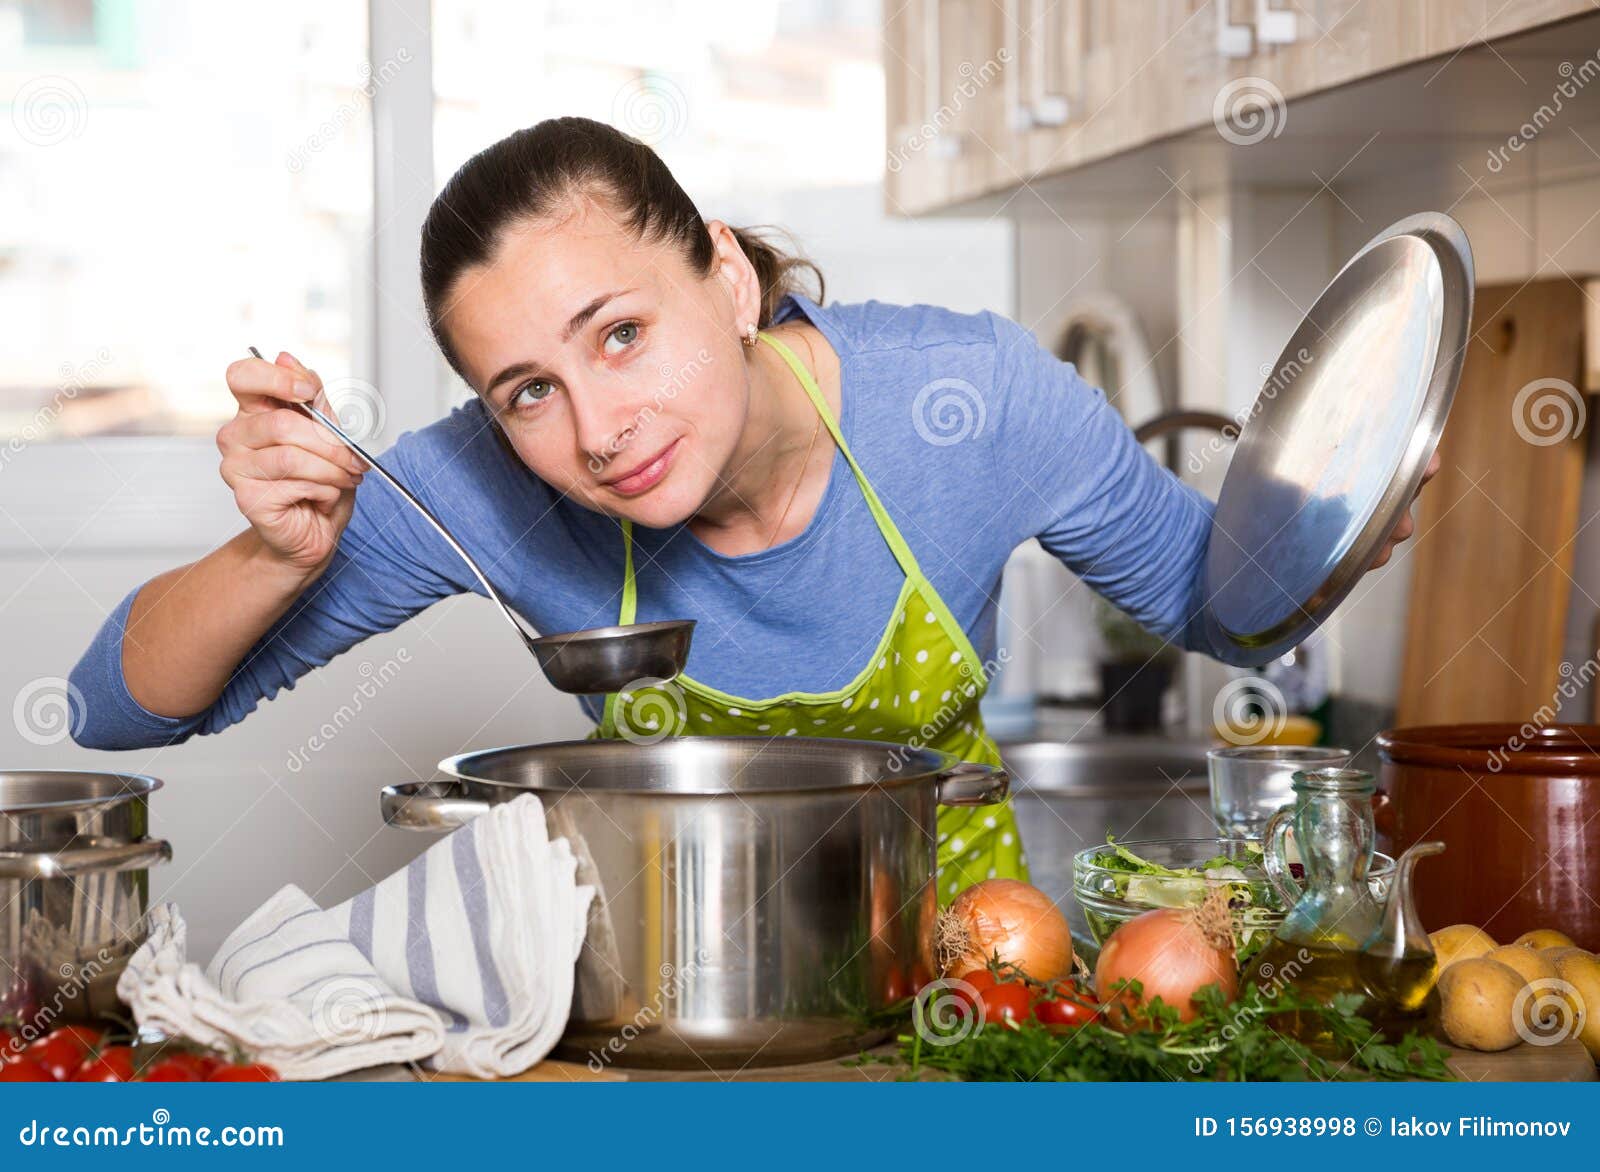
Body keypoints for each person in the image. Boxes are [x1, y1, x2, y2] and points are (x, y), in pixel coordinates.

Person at [69, 116, 1426, 898]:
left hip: (969, 997)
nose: (599, 434)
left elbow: (1230, 615)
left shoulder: (973, 401)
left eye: (618, 335)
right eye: (526, 390)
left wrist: (1336, 519)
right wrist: (274, 549)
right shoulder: (471, 490)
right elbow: (119, 709)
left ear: (723, 279)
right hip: (662, 1015)